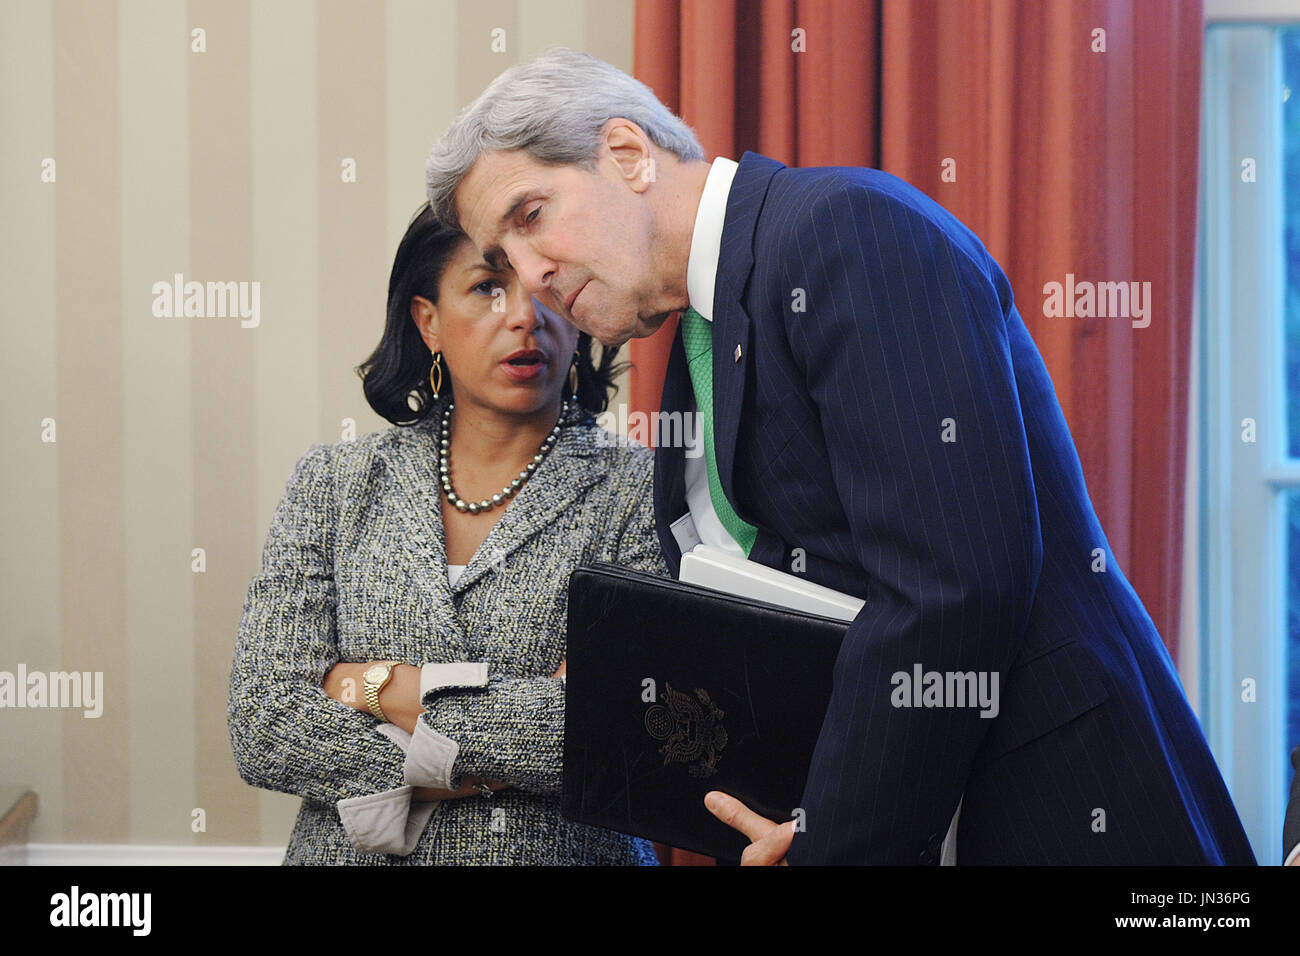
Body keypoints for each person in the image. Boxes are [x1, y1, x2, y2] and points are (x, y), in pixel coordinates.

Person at [423, 47, 1258, 865]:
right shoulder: (700, 337)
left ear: (629, 154)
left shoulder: (845, 228)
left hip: (1057, 807)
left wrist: (839, 840)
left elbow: (957, 586)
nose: (531, 280)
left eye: (531, 217)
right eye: (500, 261)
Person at [228, 202, 663, 865]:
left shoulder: (640, 490)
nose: (525, 315)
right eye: (488, 286)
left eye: (546, 286)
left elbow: (612, 733)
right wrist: (491, 749)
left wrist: (376, 687)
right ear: (427, 321)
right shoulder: (335, 482)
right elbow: (263, 721)